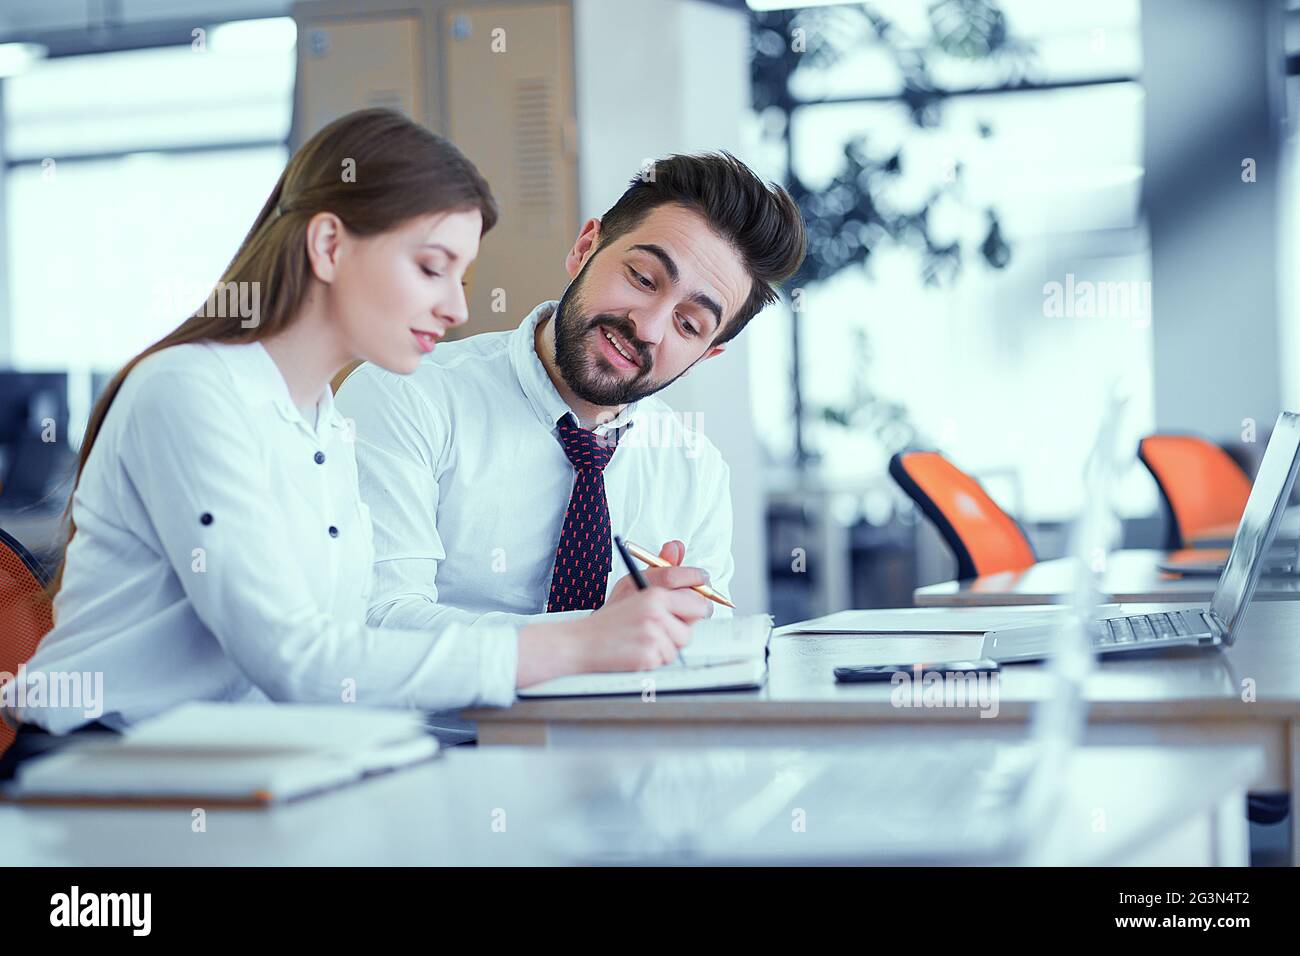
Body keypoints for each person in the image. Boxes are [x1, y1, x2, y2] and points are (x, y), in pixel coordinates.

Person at [2, 109, 706, 763]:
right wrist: (578, 645)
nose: (457, 306)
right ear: (330, 244)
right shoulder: (189, 391)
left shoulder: (326, 424)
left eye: (462, 276)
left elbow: (347, 653)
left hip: (245, 771)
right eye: (432, 267)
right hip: (100, 772)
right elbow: (295, 657)